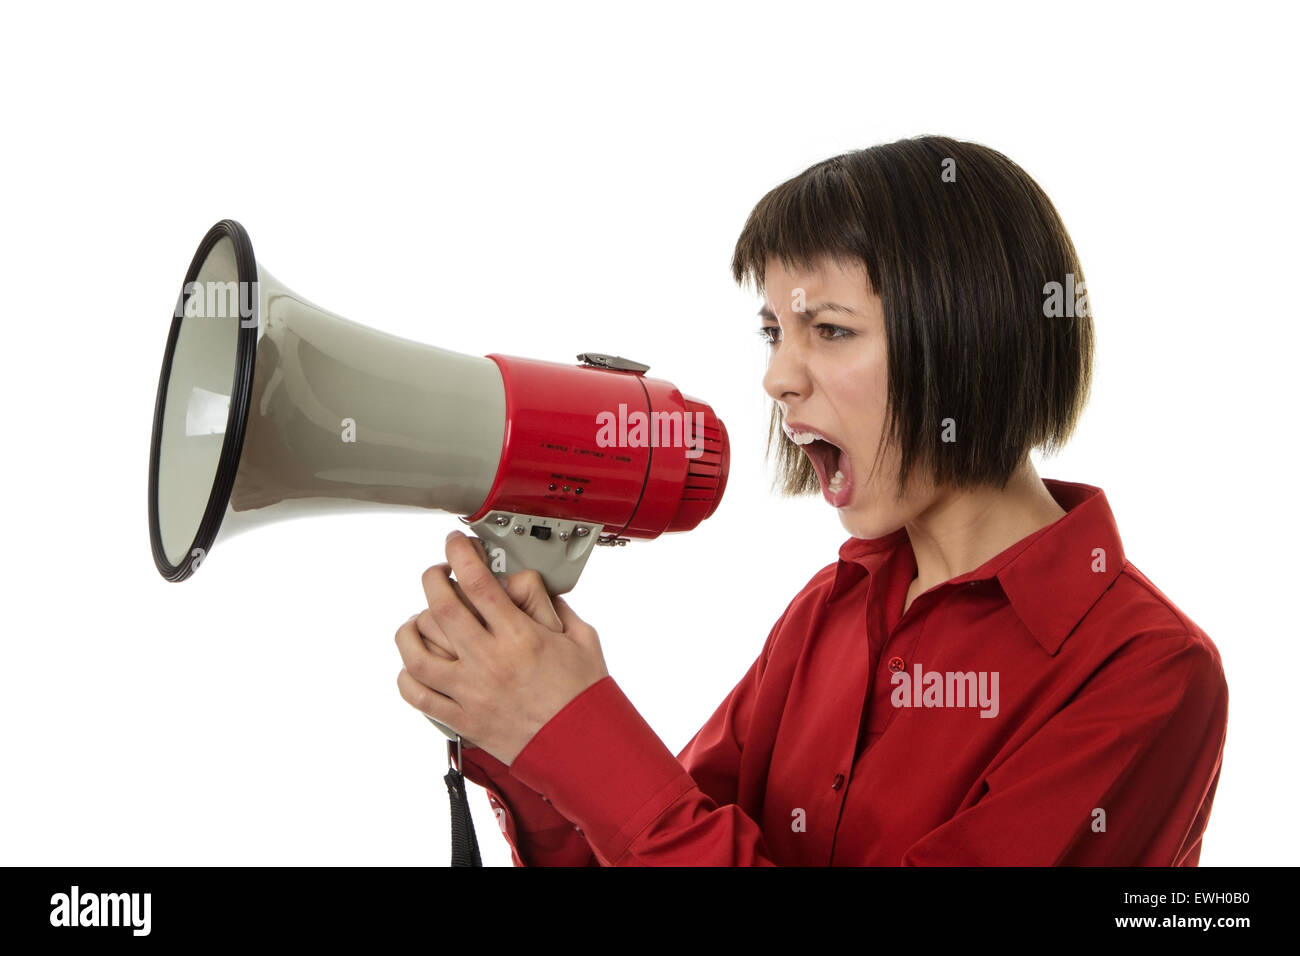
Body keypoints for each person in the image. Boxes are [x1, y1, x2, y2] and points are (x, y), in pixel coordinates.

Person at [393, 135, 1229, 866]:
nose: (776, 379)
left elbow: (656, 827)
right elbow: (652, 844)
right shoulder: (830, 613)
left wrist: (582, 733)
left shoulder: (1148, 676)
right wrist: (522, 735)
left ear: (973, 336)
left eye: (829, 330)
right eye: (773, 332)